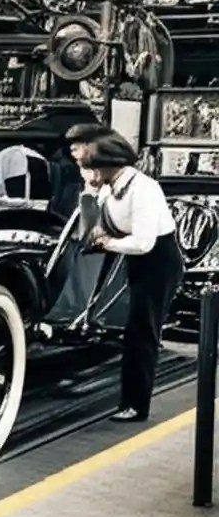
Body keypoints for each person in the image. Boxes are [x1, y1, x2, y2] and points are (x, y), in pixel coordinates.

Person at [83, 128, 184, 422]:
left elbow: (143, 242)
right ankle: (129, 399)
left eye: (93, 167)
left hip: (158, 261)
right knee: (133, 329)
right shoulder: (109, 186)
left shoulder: (144, 189)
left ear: (109, 165)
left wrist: (107, 243)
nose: (90, 173)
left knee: (143, 331)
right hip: (135, 258)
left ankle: (136, 405)